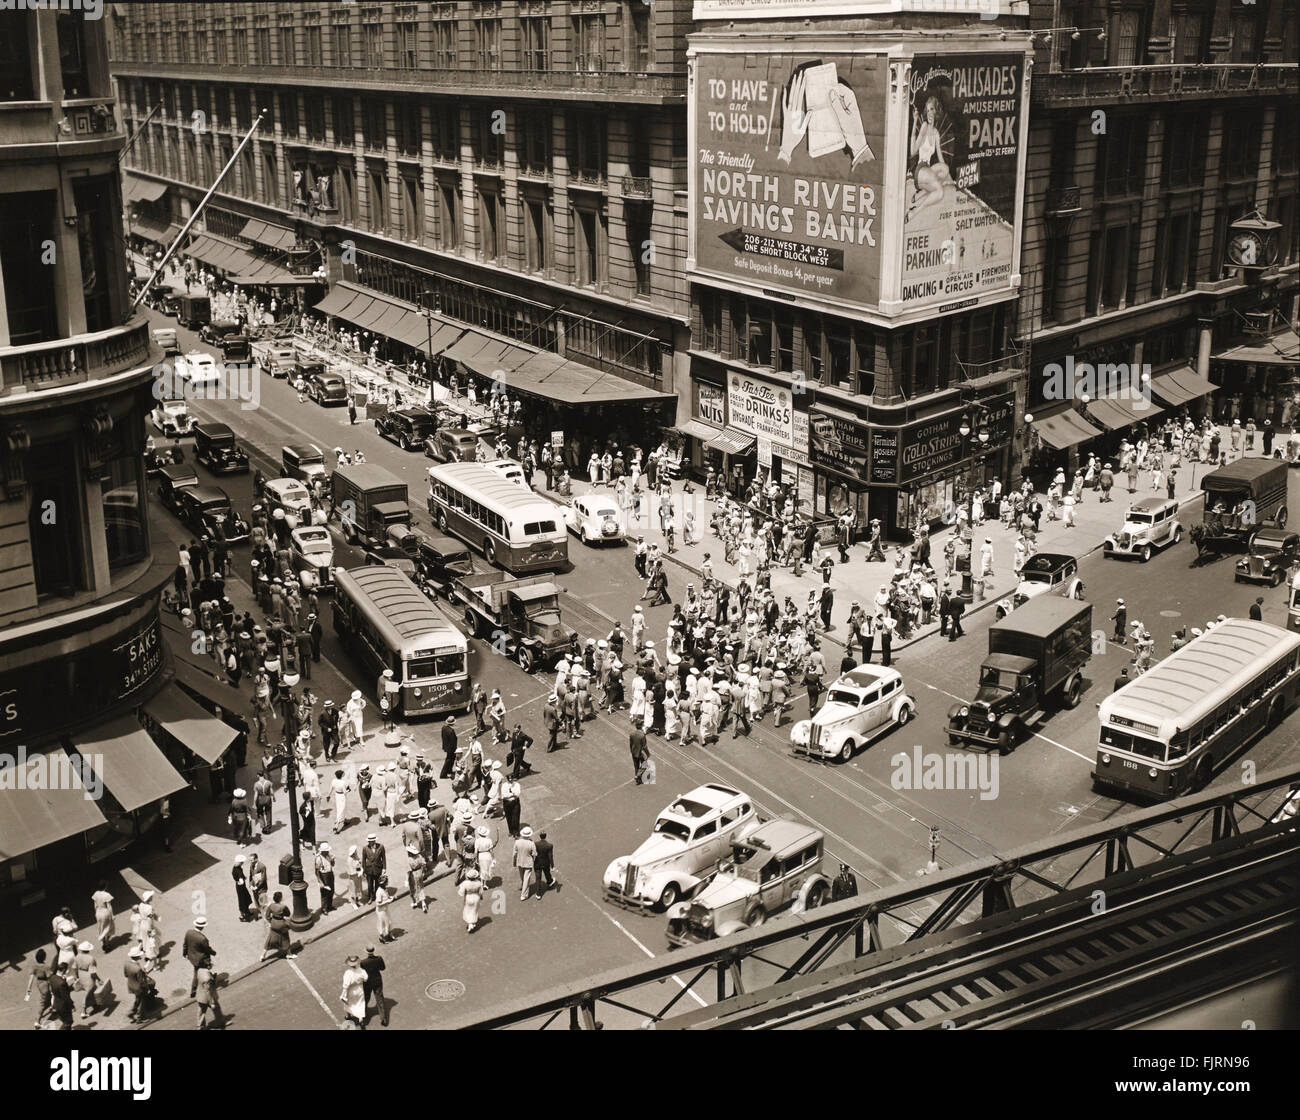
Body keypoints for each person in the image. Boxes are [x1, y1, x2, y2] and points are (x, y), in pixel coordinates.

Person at [184, 917, 215, 997]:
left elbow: (185, 944)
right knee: (199, 973)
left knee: (198, 971)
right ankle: (195, 990)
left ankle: (195, 989)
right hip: (201, 959)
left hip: (192, 957)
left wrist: (185, 954)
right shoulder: (202, 939)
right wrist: (213, 953)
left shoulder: (189, 932)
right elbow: (207, 949)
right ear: (202, 926)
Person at [359, 945, 388, 1026]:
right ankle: (383, 1019)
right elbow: (383, 968)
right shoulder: (379, 958)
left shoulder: (363, 962)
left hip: (367, 982)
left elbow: (362, 972)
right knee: (379, 999)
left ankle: (363, 1013)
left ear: (366, 952)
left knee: (366, 997)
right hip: (377, 980)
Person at [341, 955, 368, 1028]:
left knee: (348, 1003)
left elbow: (345, 985)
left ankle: (348, 1016)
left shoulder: (348, 973)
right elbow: (366, 979)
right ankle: (361, 1021)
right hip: (359, 989)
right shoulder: (362, 971)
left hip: (351, 991)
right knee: (360, 1004)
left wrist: (343, 994)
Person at [195, 963, 223, 1030]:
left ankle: (200, 1026)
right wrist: (211, 1003)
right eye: (210, 964)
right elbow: (208, 991)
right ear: (208, 966)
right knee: (216, 1008)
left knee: (201, 1011)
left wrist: (212, 977)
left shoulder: (200, 970)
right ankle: (220, 1023)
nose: (211, 965)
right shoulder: (207, 978)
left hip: (200, 996)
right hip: (207, 998)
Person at [514, 825, 537, 900]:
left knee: (522, 876)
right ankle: (524, 894)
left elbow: (514, 854)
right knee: (526, 878)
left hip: (519, 861)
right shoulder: (531, 843)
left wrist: (514, 862)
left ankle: (523, 886)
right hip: (528, 862)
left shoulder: (517, 842)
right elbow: (534, 854)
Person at [90, 882, 115, 951]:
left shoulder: (96, 893)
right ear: (105, 886)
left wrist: (96, 913)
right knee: (108, 928)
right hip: (105, 912)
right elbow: (109, 906)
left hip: (98, 912)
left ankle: (104, 941)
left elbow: (95, 905)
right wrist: (112, 915)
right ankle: (106, 944)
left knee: (101, 927)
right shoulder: (106, 895)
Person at [533, 829, 557, 897]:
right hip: (545, 863)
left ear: (540, 836)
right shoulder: (549, 845)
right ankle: (549, 881)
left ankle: (538, 894)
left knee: (538, 878)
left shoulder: (536, 844)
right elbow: (550, 857)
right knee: (547, 872)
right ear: (545, 836)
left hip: (537, 862)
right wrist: (552, 866)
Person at [233, 855, 254, 922]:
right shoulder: (238, 870)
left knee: (245, 899)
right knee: (242, 901)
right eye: (242, 862)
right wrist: (242, 880)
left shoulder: (235, 868)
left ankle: (247, 912)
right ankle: (243, 916)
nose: (243, 863)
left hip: (239, 887)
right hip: (241, 887)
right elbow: (241, 880)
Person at [315, 843, 336, 913]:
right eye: (327, 850)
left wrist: (333, 860)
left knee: (331, 891)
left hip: (330, 873)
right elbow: (317, 871)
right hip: (323, 875)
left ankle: (329, 905)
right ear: (323, 851)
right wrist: (320, 881)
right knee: (324, 893)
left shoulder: (328, 855)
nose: (328, 851)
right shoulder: (318, 858)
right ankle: (324, 908)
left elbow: (332, 865)